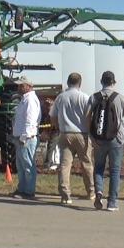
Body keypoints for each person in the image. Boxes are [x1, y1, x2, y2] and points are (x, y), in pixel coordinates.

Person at [85, 71, 124, 212]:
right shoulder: (120, 98)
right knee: (114, 171)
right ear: (114, 82)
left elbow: (87, 118)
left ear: (101, 82)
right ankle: (112, 202)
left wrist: (92, 138)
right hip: (116, 139)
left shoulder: (94, 97)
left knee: (99, 168)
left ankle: (99, 192)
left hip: (98, 139)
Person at [50, 72, 94, 205]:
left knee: (65, 164)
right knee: (86, 164)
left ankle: (65, 194)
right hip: (82, 134)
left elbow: (52, 115)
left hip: (65, 133)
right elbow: (89, 116)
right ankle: (91, 191)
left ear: (68, 82)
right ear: (80, 83)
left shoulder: (60, 97)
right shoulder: (84, 97)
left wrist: (57, 126)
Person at [11, 76, 40, 200]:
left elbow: (30, 120)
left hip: (26, 138)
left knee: (27, 164)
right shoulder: (25, 99)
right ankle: (22, 188)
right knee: (21, 165)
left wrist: (24, 136)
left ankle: (29, 190)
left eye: (21, 85)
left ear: (28, 86)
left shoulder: (30, 100)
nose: (19, 88)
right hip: (21, 137)